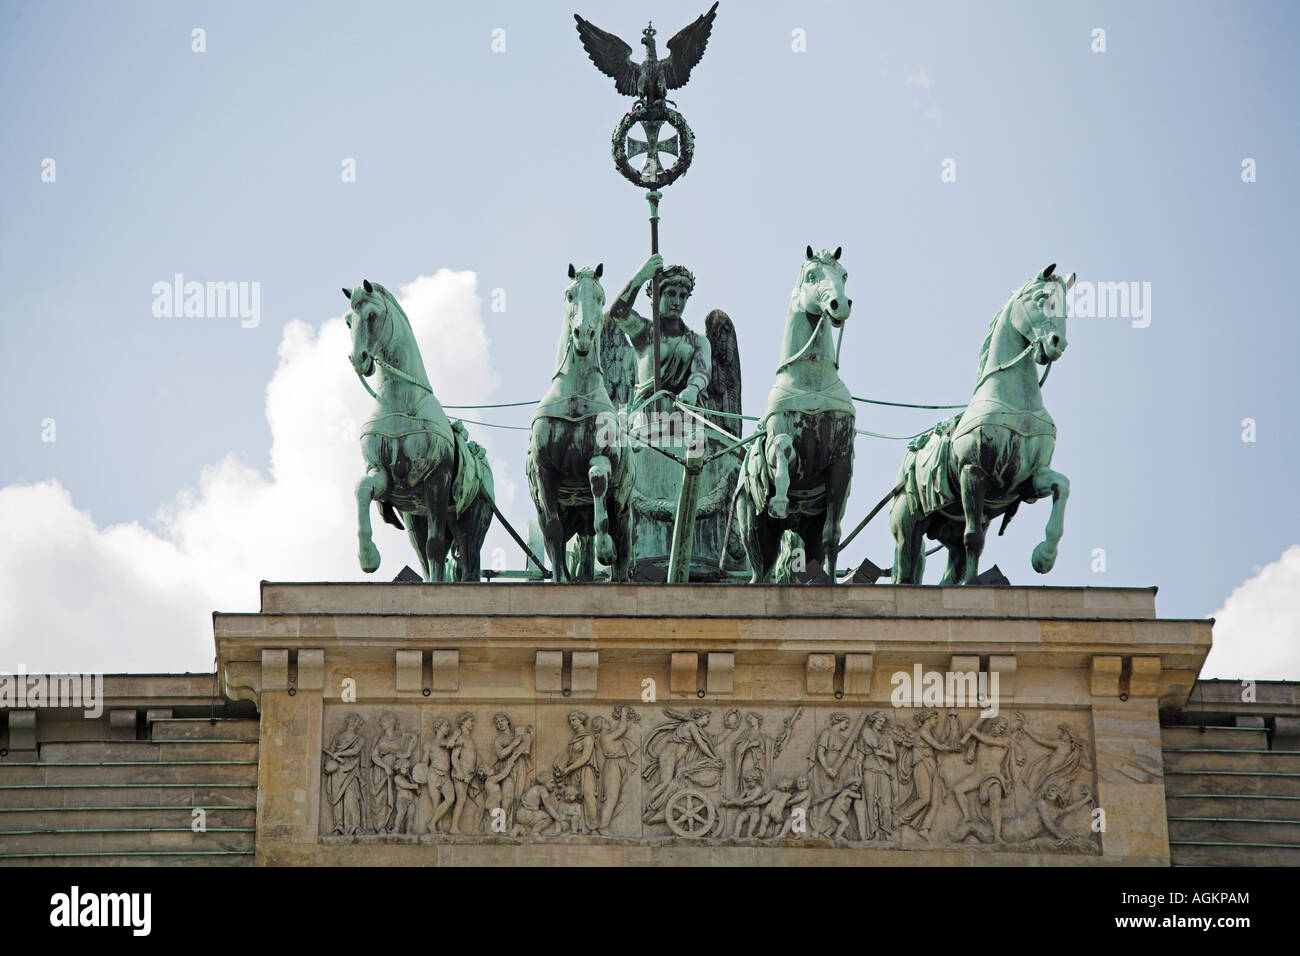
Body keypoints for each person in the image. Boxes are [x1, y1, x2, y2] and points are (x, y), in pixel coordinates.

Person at [608, 254, 711, 409]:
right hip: (646, 416)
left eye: (683, 296)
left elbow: (701, 371)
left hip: (684, 417)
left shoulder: (698, 341)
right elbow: (618, 313)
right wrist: (641, 276)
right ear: (656, 297)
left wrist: (692, 389)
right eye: (670, 294)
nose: (677, 302)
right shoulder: (644, 331)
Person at [323, 713, 366, 835]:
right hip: (337, 771)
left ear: (358, 724)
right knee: (338, 799)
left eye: (355, 721)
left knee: (351, 797)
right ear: (348, 721)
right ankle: (339, 826)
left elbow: (355, 751)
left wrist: (339, 754)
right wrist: (329, 766)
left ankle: (355, 826)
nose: (353, 722)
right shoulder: (338, 737)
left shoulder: (360, 738)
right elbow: (330, 753)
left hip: (351, 770)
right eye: (351, 719)